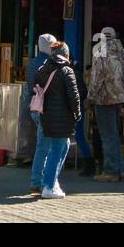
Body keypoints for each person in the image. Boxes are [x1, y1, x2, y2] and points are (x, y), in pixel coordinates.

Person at [33, 40, 82, 199]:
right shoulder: (67, 71)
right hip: (62, 118)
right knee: (57, 149)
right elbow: (73, 96)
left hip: (46, 116)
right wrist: (78, 113)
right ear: (66, 54)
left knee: (62, 146)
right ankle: (49, 185)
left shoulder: (43, 69)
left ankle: (51, 181)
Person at [88, 26, 124, 181]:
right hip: (118, 99)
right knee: (114, 135)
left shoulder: (100, 50)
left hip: (104, 99)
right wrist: (122, 91)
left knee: (107, 136)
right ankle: (119, 169)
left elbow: (96, 77)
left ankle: (110, 171)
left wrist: (91, 97)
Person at [24, 33, 59, 194]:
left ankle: (39, 181)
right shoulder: (49, 64)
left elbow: (30, 87)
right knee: (45, 147)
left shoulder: (33, 63)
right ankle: (38, 182)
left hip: (34, 107)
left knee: (42, 146)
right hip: (46, 109)